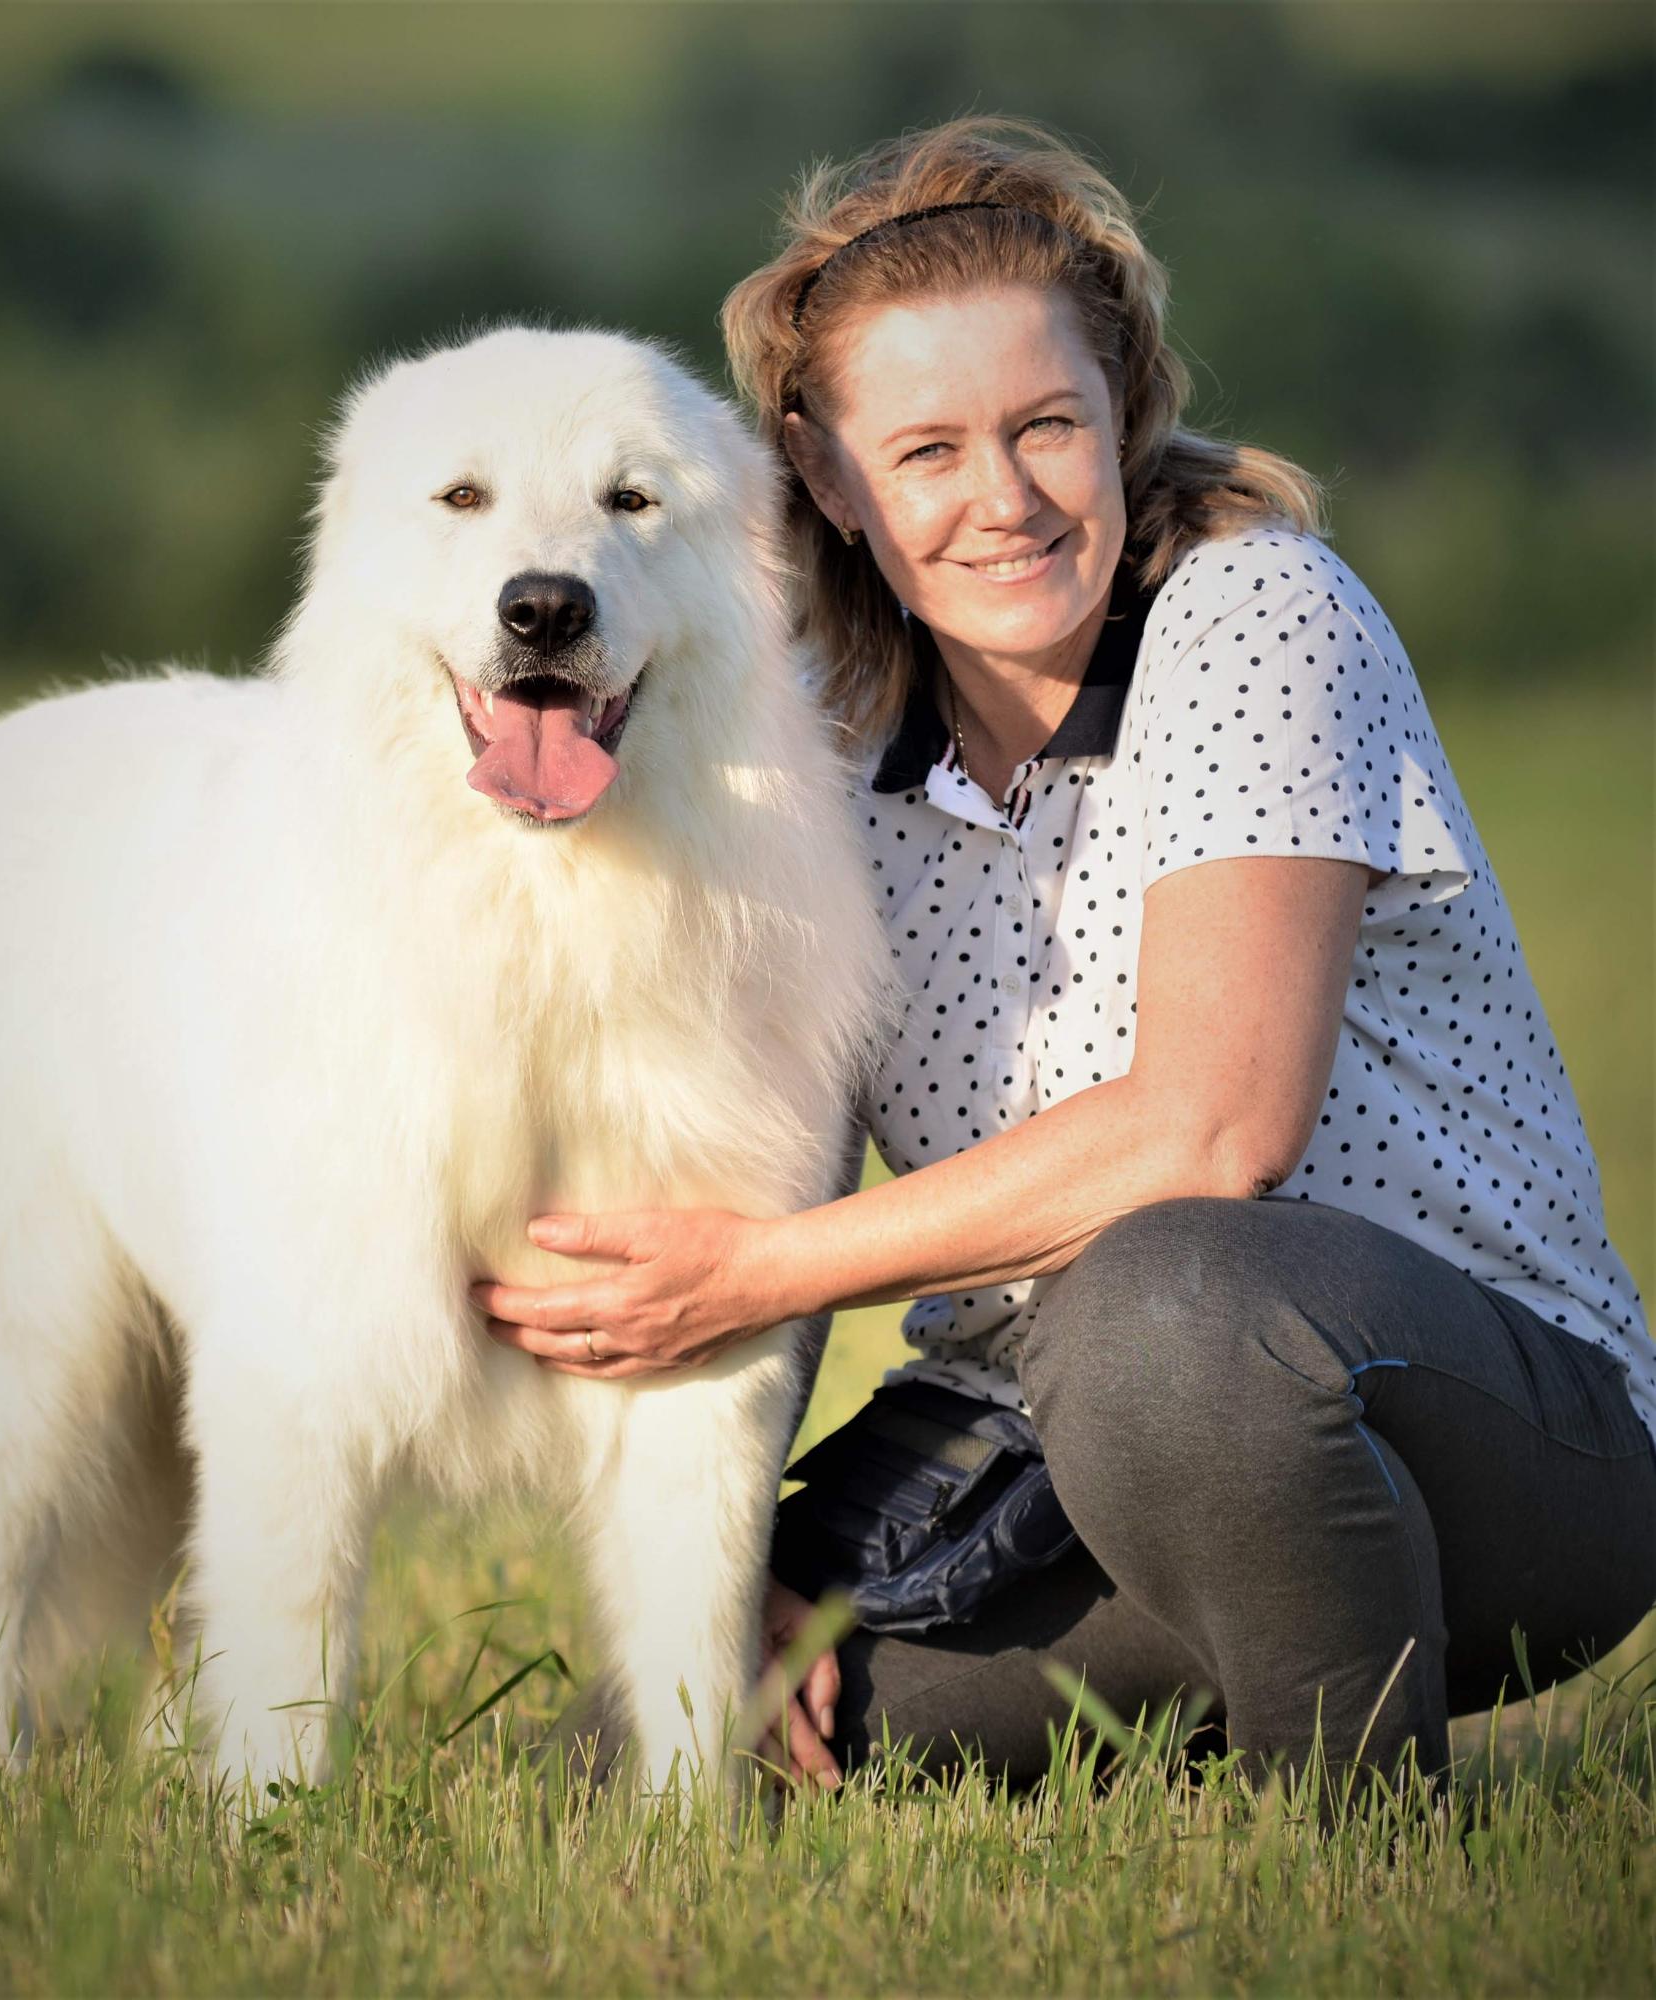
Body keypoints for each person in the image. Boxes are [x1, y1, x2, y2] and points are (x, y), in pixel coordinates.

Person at [473, 117, 1656, 1795]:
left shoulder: (1259, 611)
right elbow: (769, 1172)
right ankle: (1183, 1726)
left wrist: (760, 1274)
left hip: (1494, 1443)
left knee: (1163, 1298)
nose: (1004, 500)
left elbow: (1212, 1131)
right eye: (931, 451)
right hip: (1047, 1449)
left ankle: (1358, 1855)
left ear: (1127, 416)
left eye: (1047, 428)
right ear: (824, 476)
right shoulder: (807, 752)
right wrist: (721, 1566)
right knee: (631, 1763)